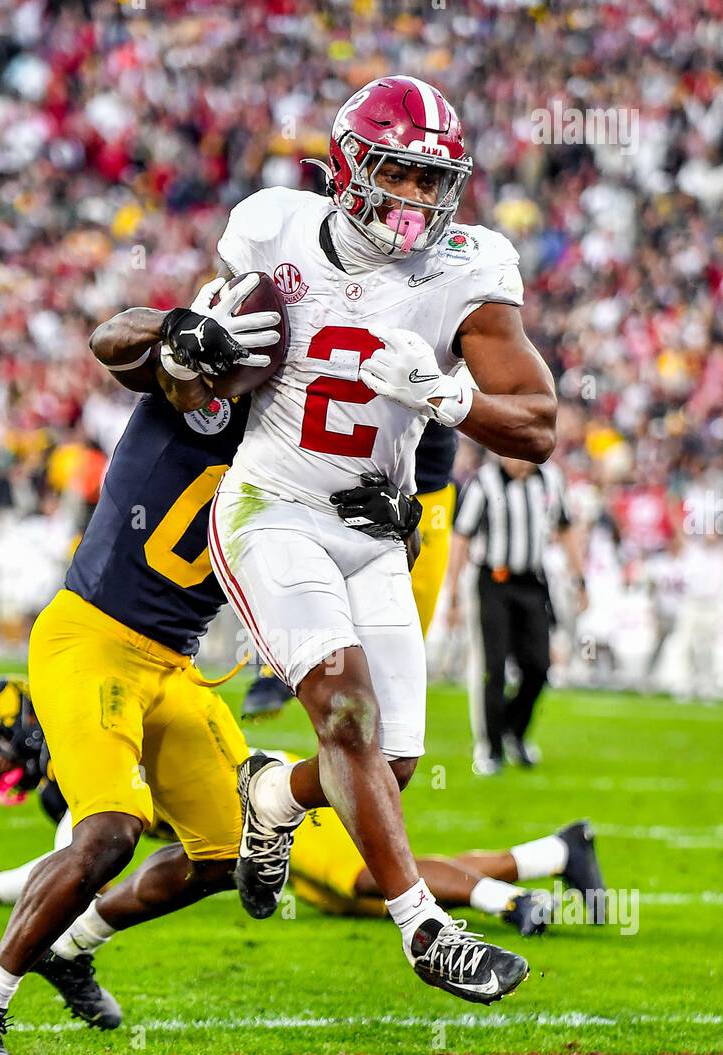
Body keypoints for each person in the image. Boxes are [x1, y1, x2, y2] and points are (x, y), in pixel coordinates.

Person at [206, 75, 557, 1003]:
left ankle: (272, 797)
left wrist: (452, 398)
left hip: (373, 526)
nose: (419, 201)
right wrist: (201, 342)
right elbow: (207, 364)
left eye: (435, 182)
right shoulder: (273, 230)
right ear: (354, 167)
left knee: (388, 761)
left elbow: (540, 424)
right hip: (273, 507)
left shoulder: (468, 271)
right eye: (401, 176)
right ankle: (426, 932)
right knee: (349, 718)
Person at [0, 279, 286, 1055]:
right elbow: (114, 340)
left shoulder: (292, 439)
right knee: (109, 831)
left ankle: (74, 945)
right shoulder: (190, 383)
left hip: (173, 663)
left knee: (227, 855)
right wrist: (174, 328)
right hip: (94, 638)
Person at [0, 688, 608, 996]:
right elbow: (71, 858)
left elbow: (72, 864)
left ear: (19, 724)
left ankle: (504, 900)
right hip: (238, 826)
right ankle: (555, 852)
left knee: (367, 879)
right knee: (357, 895)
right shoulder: (70, 776)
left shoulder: (95, 746)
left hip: (267, 804)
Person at [241, 420, 457, 719]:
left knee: (405, 636)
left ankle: (376, 706)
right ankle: (285, 663)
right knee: (308, 566)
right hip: (344, 460)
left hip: (425, 477)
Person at [445, 453, 587, 775]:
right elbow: (461, 536)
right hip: (494, 581)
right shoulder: (484, 482)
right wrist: (453, 592)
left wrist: (579, 578)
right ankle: (490, 748)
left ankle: (514, 732)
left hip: (533, 581)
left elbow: (565, 528)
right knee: (491, 668)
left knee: (539, 666)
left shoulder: (550, 479)